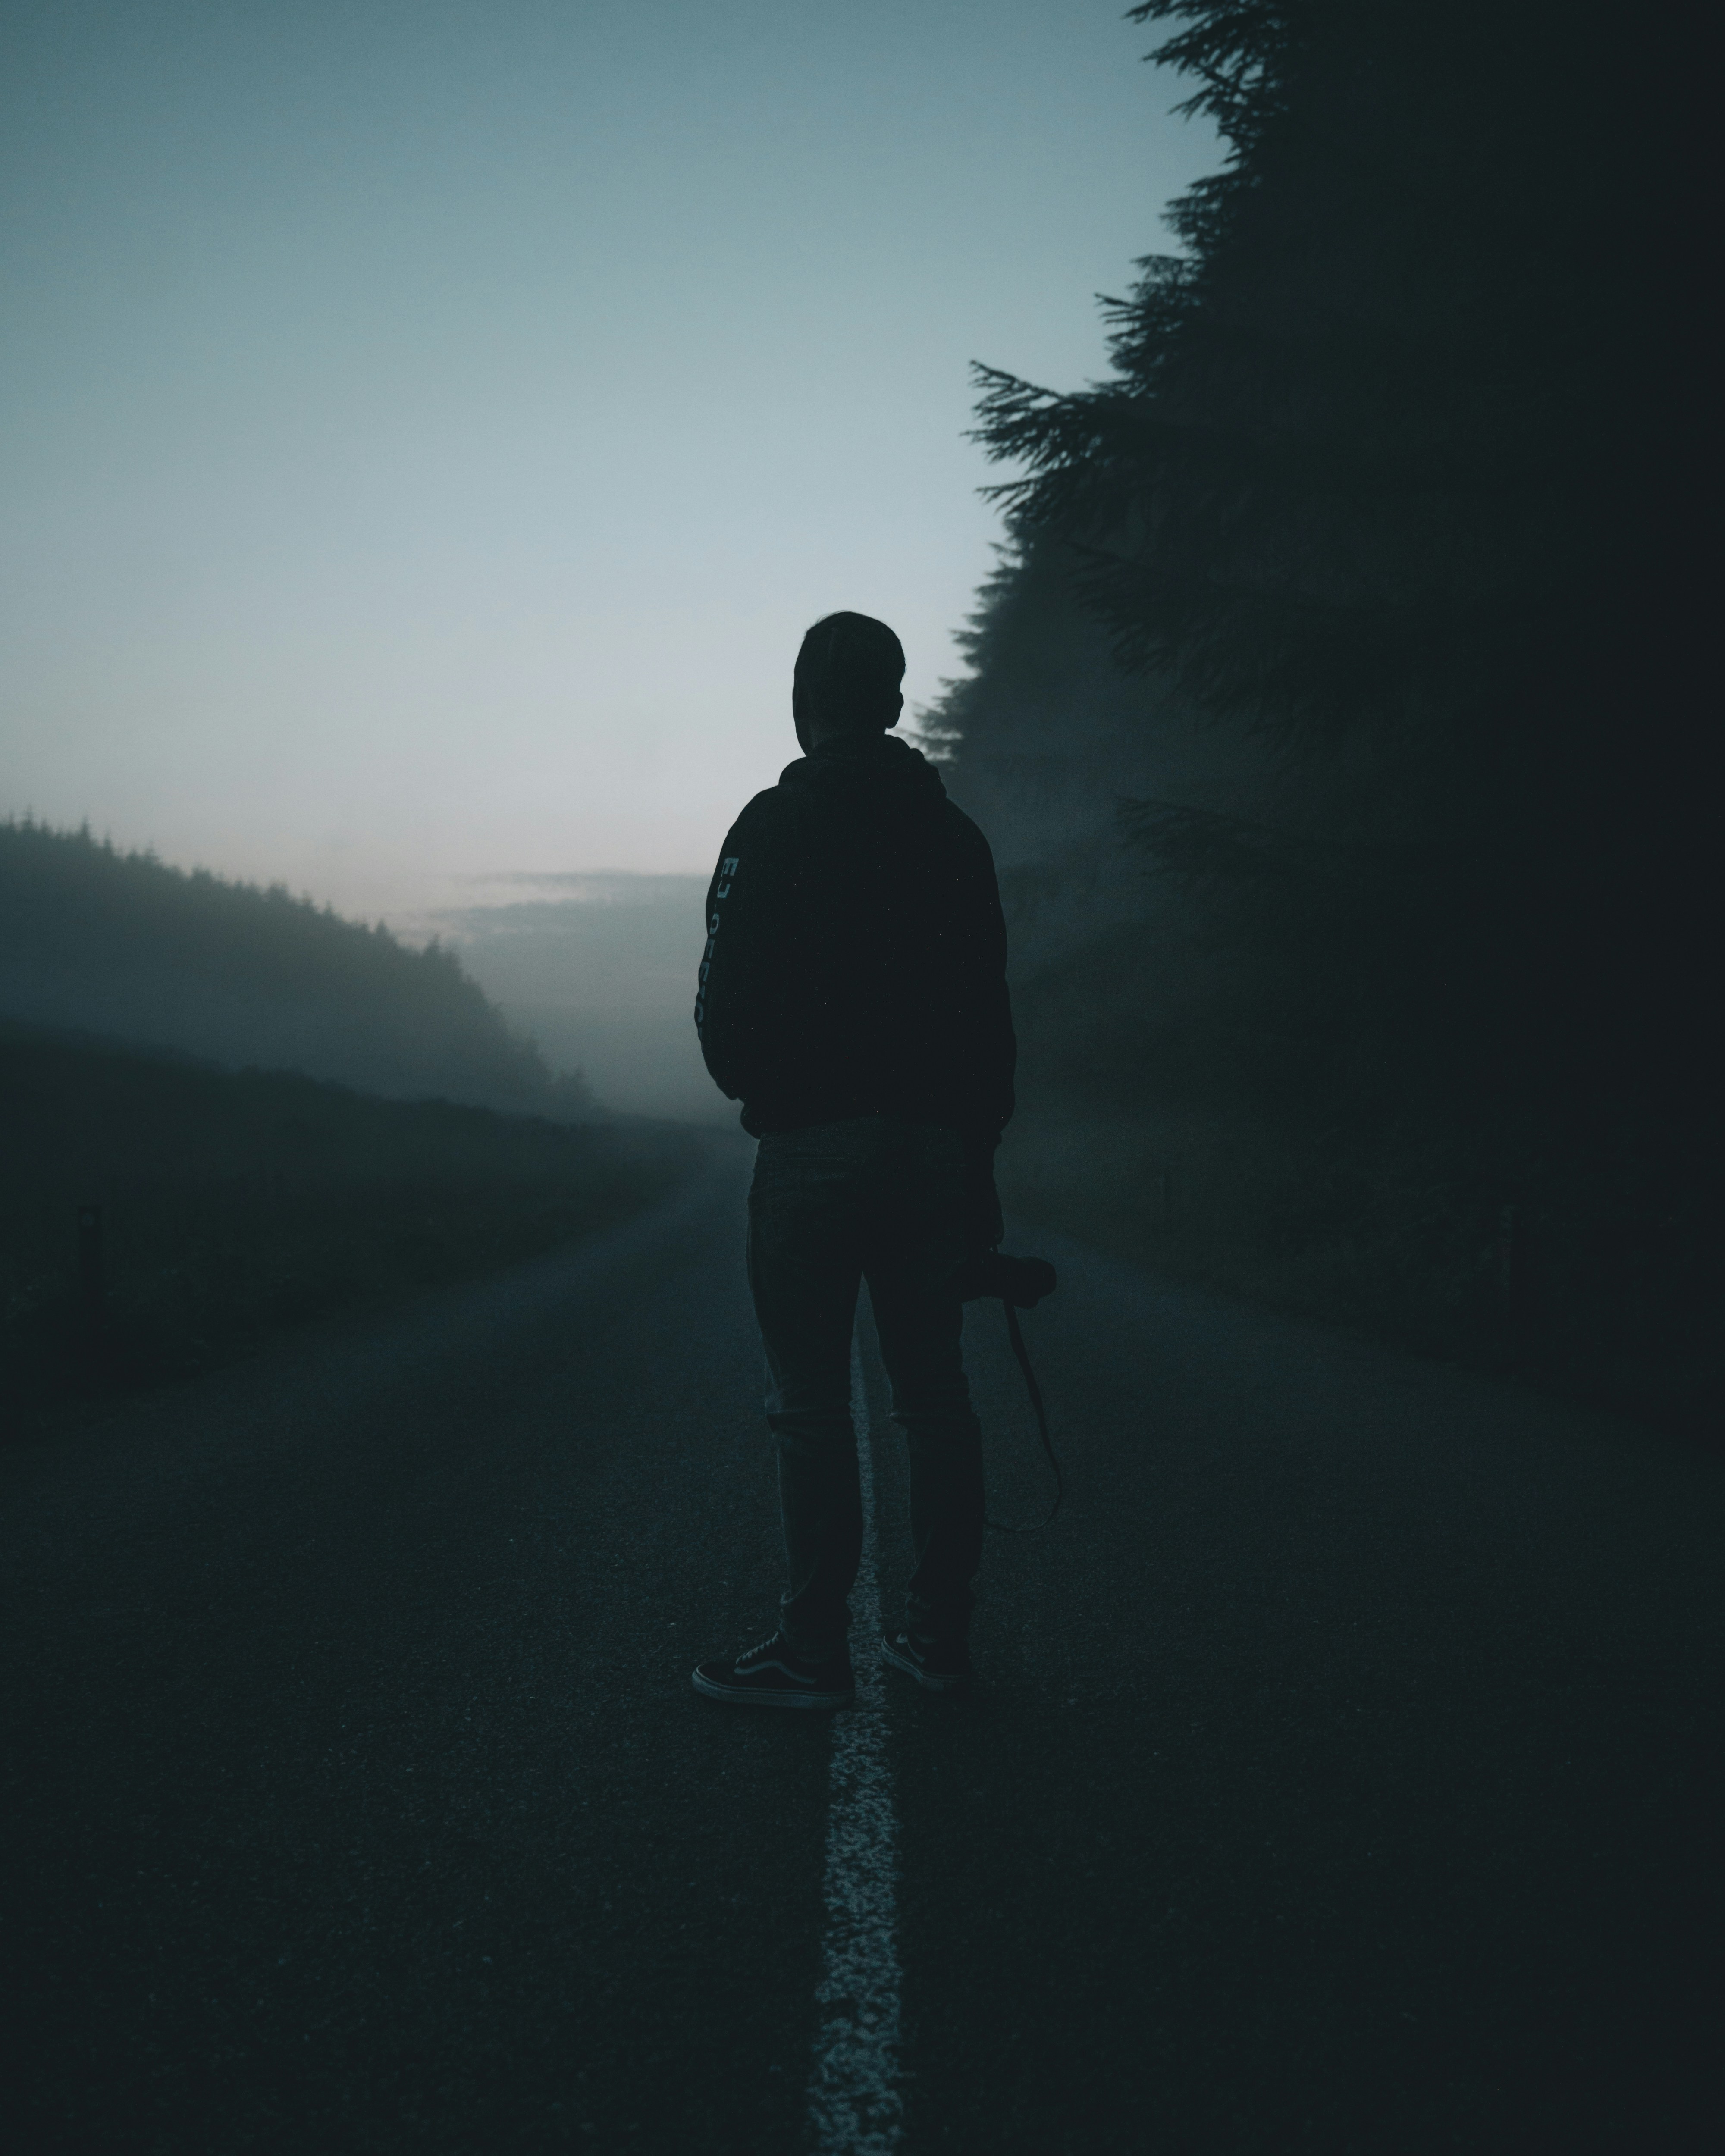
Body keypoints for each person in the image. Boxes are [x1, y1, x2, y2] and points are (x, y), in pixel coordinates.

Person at [690, 611, 1016, 1709]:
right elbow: (988, 1020)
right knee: (934, 1397)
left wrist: (761, 1088)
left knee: (811, 1405)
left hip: (810, 1150)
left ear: (802, 702)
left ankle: (810, 1648)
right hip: (930, 1149)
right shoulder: (955, 838)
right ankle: (937, 1637)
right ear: (892, 701)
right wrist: (975, 1162)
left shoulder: (770, 826)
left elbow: (722, 996)